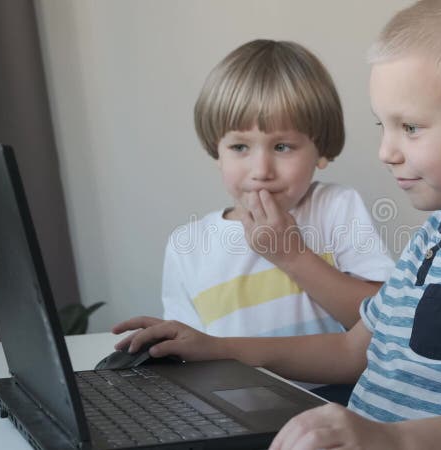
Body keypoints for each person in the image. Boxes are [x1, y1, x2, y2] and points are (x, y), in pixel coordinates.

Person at [114, 1, 441, 448]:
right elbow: (353, 350)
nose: (386, 151)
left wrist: (391, 440)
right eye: (381, 127)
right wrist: (219, 348)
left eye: (409, 127)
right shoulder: (434, 238)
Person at [161, 39, 395, 402]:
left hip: (339, 405)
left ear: (321, 151)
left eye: (282, 147)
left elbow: (381, 324)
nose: (261, 171)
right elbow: (194, 356)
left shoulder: (336, 208)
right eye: (240, 147)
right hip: (238, 415)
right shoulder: (186, 247)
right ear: (215, 152)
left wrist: (291, 256)